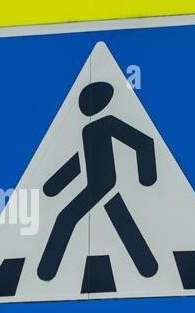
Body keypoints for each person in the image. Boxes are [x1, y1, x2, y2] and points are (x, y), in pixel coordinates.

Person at [38, 80, 158, 281]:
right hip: (98, 185)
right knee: (122, 222)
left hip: (104, 184)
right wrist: (54, 185)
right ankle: (149, 268)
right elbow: (80, 162)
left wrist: (146, 176)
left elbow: (142, 143)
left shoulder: (108, 123)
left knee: (65, 219)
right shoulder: (88, 130)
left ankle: (46, 273)